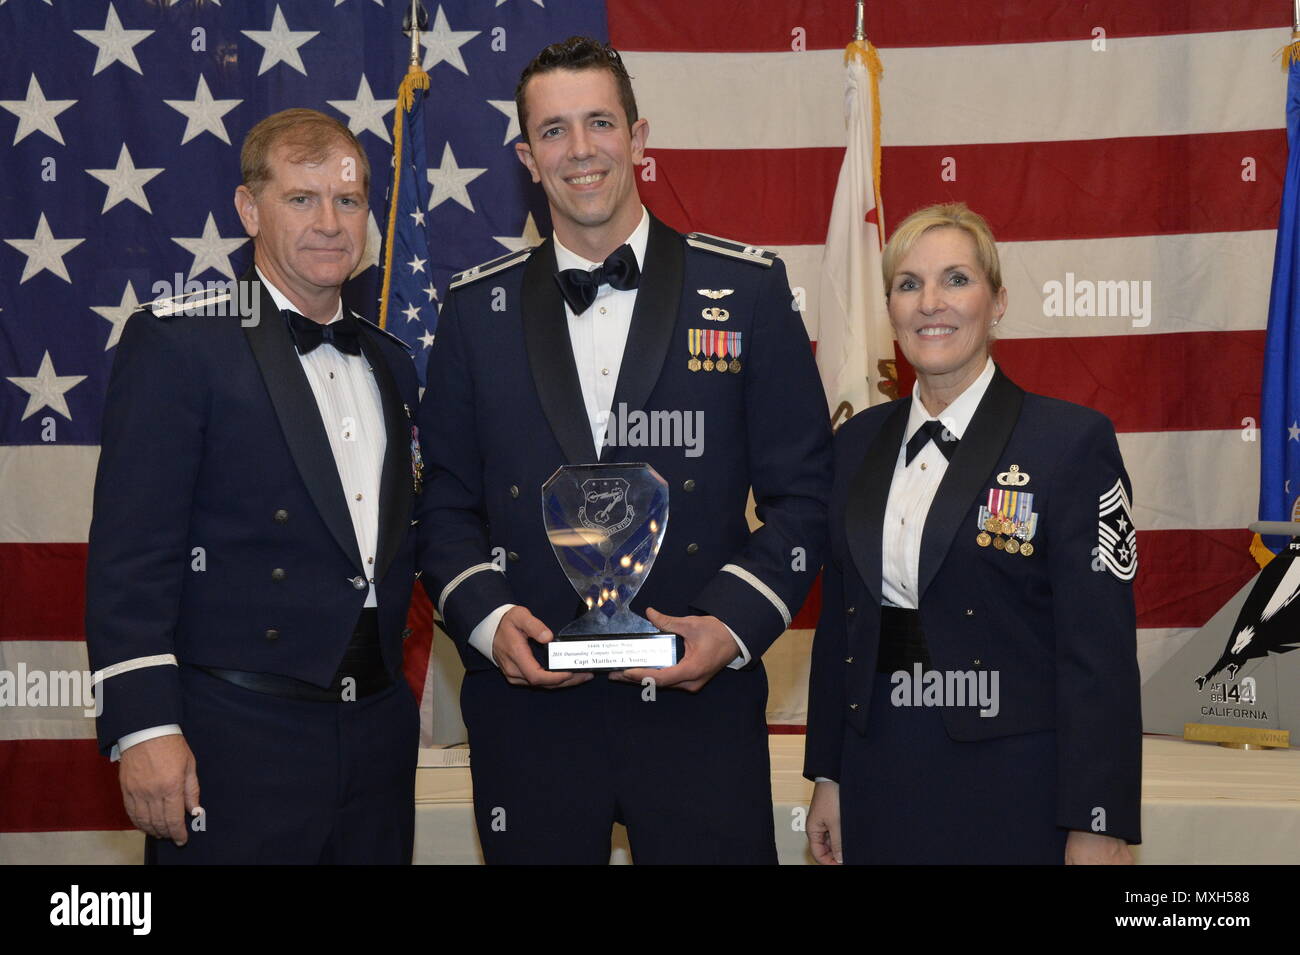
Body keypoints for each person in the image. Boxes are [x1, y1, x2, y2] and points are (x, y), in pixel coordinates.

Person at [417, 36, 832, 864]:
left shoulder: (747, 292)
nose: (580, 151)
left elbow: (807, 496)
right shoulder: (474, 314)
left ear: (640, 140)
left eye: (600, 123)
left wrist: (730, 624)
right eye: (554, 131)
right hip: (530, 717)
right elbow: (442, 509)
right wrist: (493, 621)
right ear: (527, 157)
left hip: (700, 710)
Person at [85, 109, 421, 864]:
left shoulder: (394, 363)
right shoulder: (177, 342)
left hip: (376, 733)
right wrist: (144, 728)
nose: (330, 223)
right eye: (301, 199)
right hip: (233, 738)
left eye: (349, 200)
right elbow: (130, 560)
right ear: (248, 210)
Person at [803, 202, 1142, 865]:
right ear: (891, 307)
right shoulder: (856, 444)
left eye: (956, 279)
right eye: (908, 283)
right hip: (879, 772)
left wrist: (1098, 820)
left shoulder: (1070, 443)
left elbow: (1097, 655)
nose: (932, 302)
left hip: (1016, 783)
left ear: (998, 300)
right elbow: (842, 626)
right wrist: (830, 773)